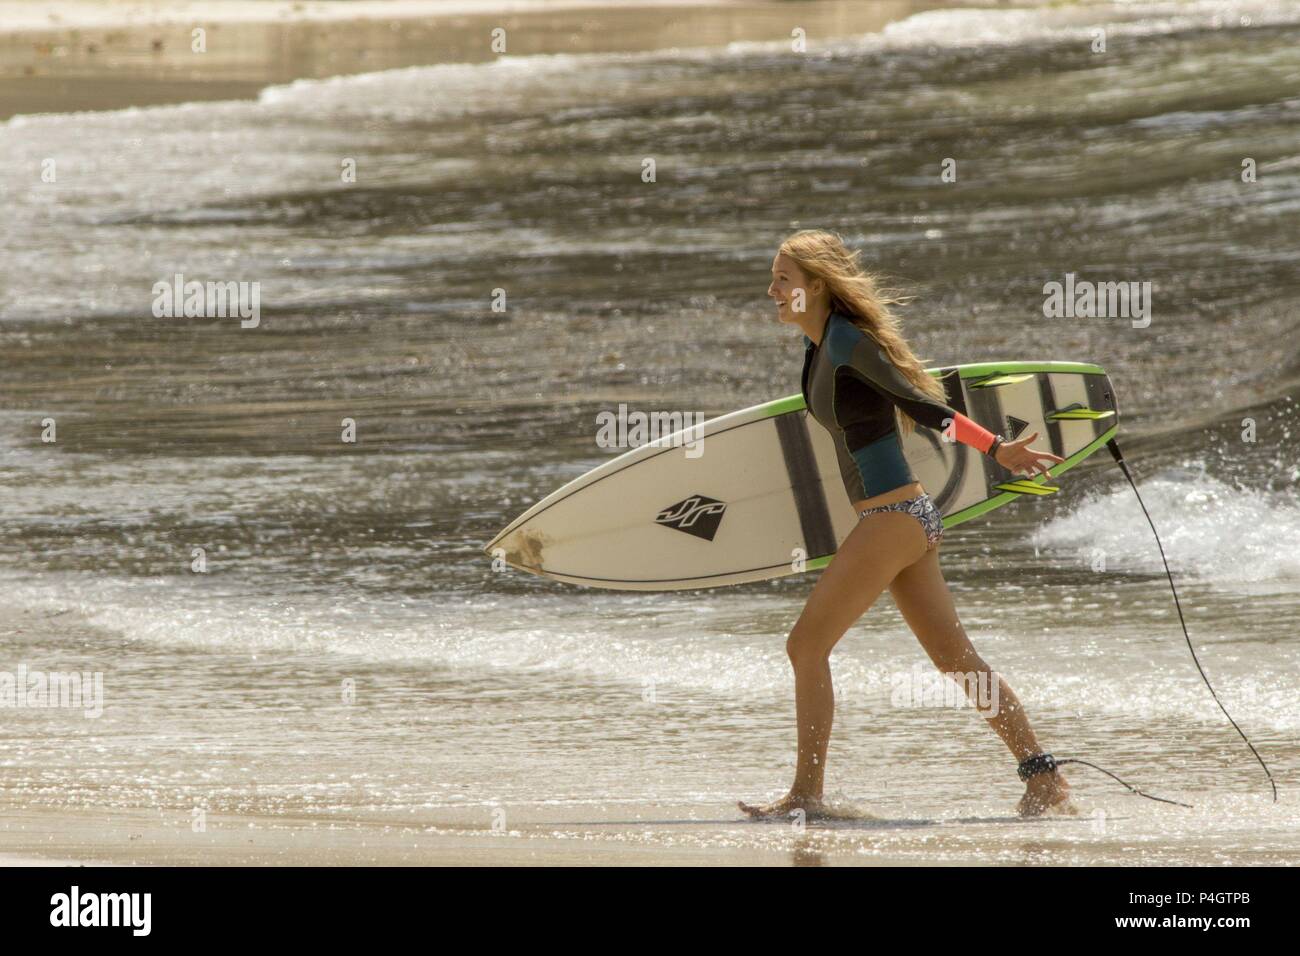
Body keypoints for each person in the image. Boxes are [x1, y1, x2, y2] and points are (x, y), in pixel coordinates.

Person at [738, 229, 1074, 819]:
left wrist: (998, 449)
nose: (771, 290)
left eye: (782, 280)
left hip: (893, 518)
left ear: (816, 285)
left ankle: (806, 796)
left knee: (805, 645)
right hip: (904, 519)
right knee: (955, 658)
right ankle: (1042, 775)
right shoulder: (819, 347)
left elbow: (926, 408)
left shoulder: (845, 340)